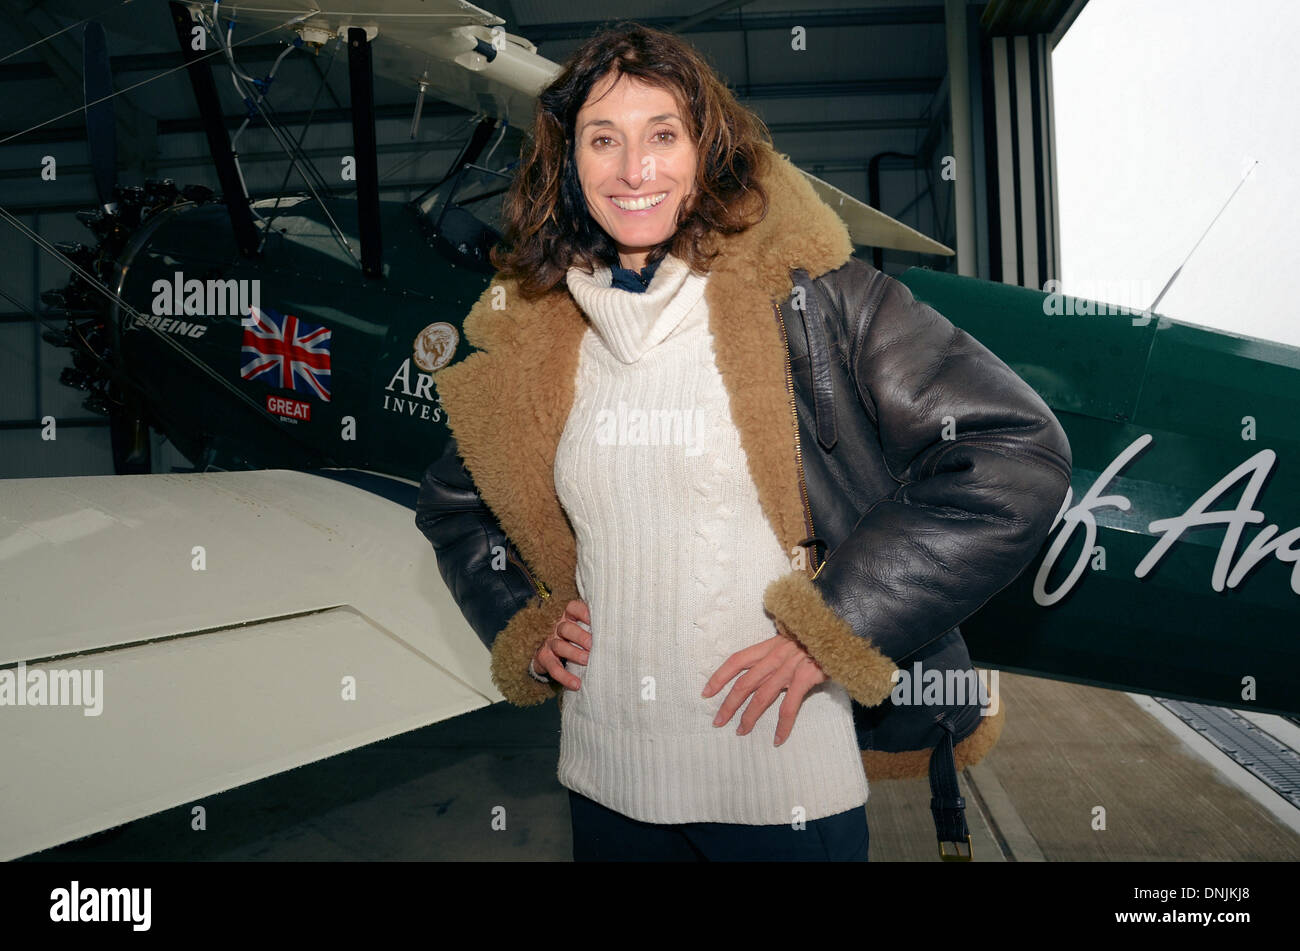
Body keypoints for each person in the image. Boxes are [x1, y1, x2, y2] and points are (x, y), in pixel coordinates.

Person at [416, 21, 1072, 862]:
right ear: (568, 164)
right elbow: (454, 507)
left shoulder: (812, 300)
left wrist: (833, 622)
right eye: (602, 139)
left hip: (783, 797)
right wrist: (524, 623)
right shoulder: (536, 340)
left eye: (663, 135)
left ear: (704, 150)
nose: (634, 168)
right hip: (605, 793)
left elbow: (1014, 449)